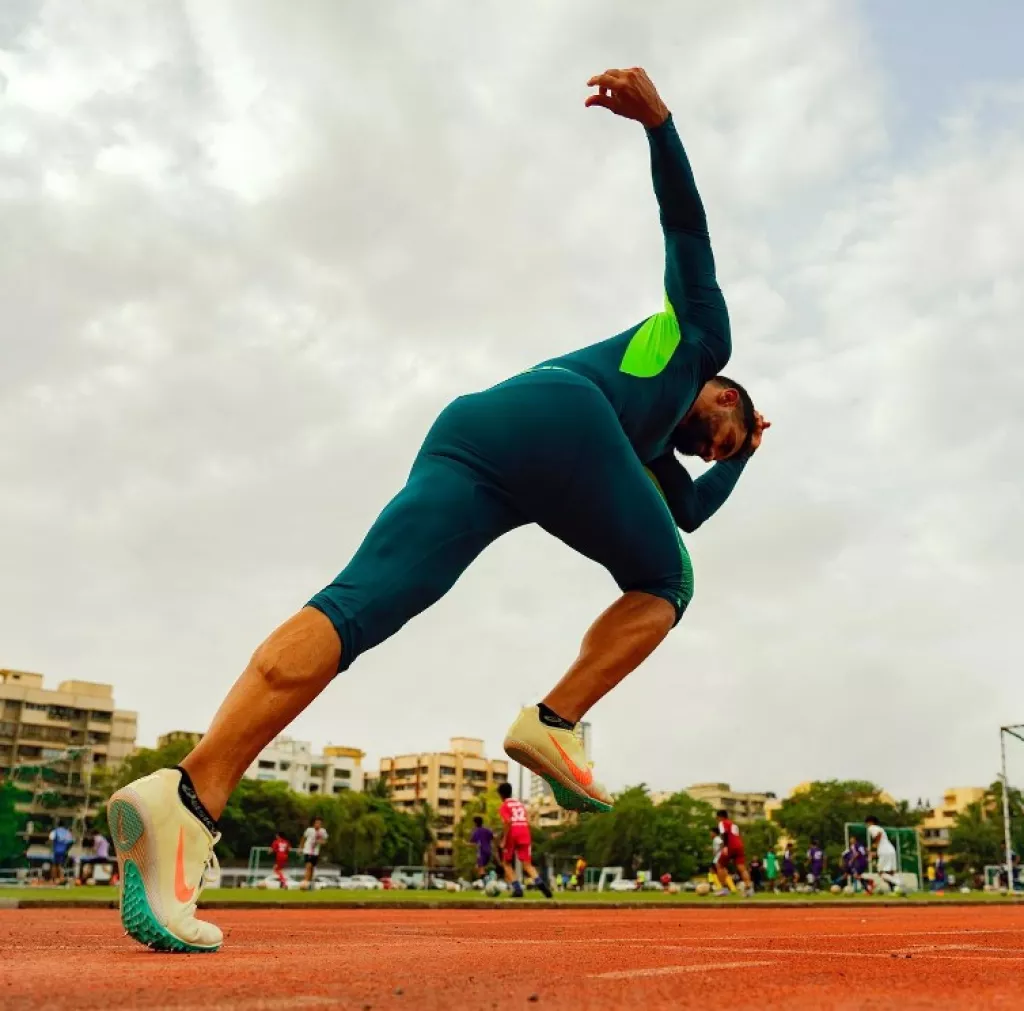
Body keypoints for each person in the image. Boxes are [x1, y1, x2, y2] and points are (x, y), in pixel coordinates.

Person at [106, 66, 768, 953]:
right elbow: (685, 228)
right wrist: (661, 126)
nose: (707, 451)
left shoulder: (646, 449)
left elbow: (685, 510)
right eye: (722, 434)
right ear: (723, 391)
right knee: (670, 583)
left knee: (354, 608)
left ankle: (188, 796)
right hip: (562, 418)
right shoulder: (701, 338)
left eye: (719, 455)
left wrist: (741, 463)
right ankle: (555, 722)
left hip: (475, 431)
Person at [497, 783, 551, 899]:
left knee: (506, 863)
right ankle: (542, 886)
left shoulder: (504, 806)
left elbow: (508, 822)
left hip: (513, 832)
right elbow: (527, 818)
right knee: (527, 864)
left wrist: (504, 839)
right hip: (524, 831)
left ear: (500, 794)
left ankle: (517, 890)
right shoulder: (520, 804)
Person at [715, 810, 753, 897]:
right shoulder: (733, 824)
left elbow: (724, 834)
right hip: (739, 845)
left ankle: (724, 889)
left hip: (730, 845)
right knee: (742, 867)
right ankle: (749, 889)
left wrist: (725, 846)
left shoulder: (722, 823)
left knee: (719, 865)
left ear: (720, 817)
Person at [866, 816, 901, 893]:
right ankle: (896, 890)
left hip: (885, 851)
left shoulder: (872, 827)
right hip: (891, 850)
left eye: (867, 823)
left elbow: (879, 834)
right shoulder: (880, 828)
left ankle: (899, 883)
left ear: (870, 822)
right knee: (891, 872)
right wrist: (873, 852)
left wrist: (875, 844)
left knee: (881, 873)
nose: (867, 825)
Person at [300, 817, 328, 889]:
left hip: (315, 852)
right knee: (308, 866)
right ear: (314, 823)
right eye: (316, 823)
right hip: (307, 850)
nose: (318, 824)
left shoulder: (323, 831)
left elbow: (325, 841)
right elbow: (303, 838)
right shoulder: (309, 830)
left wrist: (320, 842)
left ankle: (310, 884)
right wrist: (301, 848)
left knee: (312, 869)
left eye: (319, 823)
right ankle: (305, 883)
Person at [470, 816, 495, 880]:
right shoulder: (487, 830)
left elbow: (473, 843)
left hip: (481, 851)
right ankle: (485, 879)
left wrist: (465, 843)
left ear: (475, 823)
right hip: (489, 851)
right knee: (477, 867)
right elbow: (493, 838)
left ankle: (486, 881)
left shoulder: (476, 832)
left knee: (481, 869)